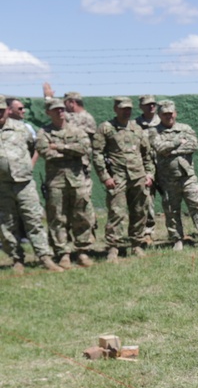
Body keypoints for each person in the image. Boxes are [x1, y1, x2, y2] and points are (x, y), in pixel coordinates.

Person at [0, 98, 62, 273]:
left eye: (1, 110)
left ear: (7, 110)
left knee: (34, 219)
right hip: (2, 185)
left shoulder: (22, 128)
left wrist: (29, 164)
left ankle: (45, 257)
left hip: (24, 183)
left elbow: (35, 147)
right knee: (6, 223)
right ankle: (17, 259)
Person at [149, 100, 198, 250]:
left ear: (176, 113)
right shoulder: (153, 131)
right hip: (167, 178)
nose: (169, 116)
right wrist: (177, 142)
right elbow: (160, 148)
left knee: (197, 205)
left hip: (188, 176)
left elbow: (193, 145)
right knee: (171, 209)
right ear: (159, 115)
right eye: (165, 114)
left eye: (171, 113)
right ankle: (177, 239)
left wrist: (171, 150)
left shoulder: (185, 128)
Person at [35, 97, 96, 268]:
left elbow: (84, 149)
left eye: (62, 109)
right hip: (56, 181)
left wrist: (60, 147)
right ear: (48, 112)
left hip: (77, 181)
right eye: (55, 110)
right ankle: (63, 253)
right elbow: (46, 152)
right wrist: (70, 151)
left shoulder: (77, 130)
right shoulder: (44, 132)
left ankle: (82, 251)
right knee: (57, 218)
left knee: (82, 215)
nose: (60, 112)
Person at [93, 97, 153, 261]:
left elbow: (147, 154)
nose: (126, 111)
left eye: (129, 108)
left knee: (140, 211)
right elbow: (97, 154)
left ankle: (136, 244)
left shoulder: (137, 128)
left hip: (138, 177)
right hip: (117, 178)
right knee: (117, 213)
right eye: (123, 108)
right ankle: (113, 248)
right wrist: (105, 177)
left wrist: (149, 174)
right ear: (115, 109)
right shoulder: (106, 128)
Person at [135, 95, 160, 240]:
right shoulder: (136, 124)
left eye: (153, 104)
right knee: (147, 198)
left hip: (163, 164)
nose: (151, 106)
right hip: (145, 165)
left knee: (170, 198)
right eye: (147, 104)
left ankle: (175, 231)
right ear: (141, 107)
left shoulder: (162, 121)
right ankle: (148, 231)